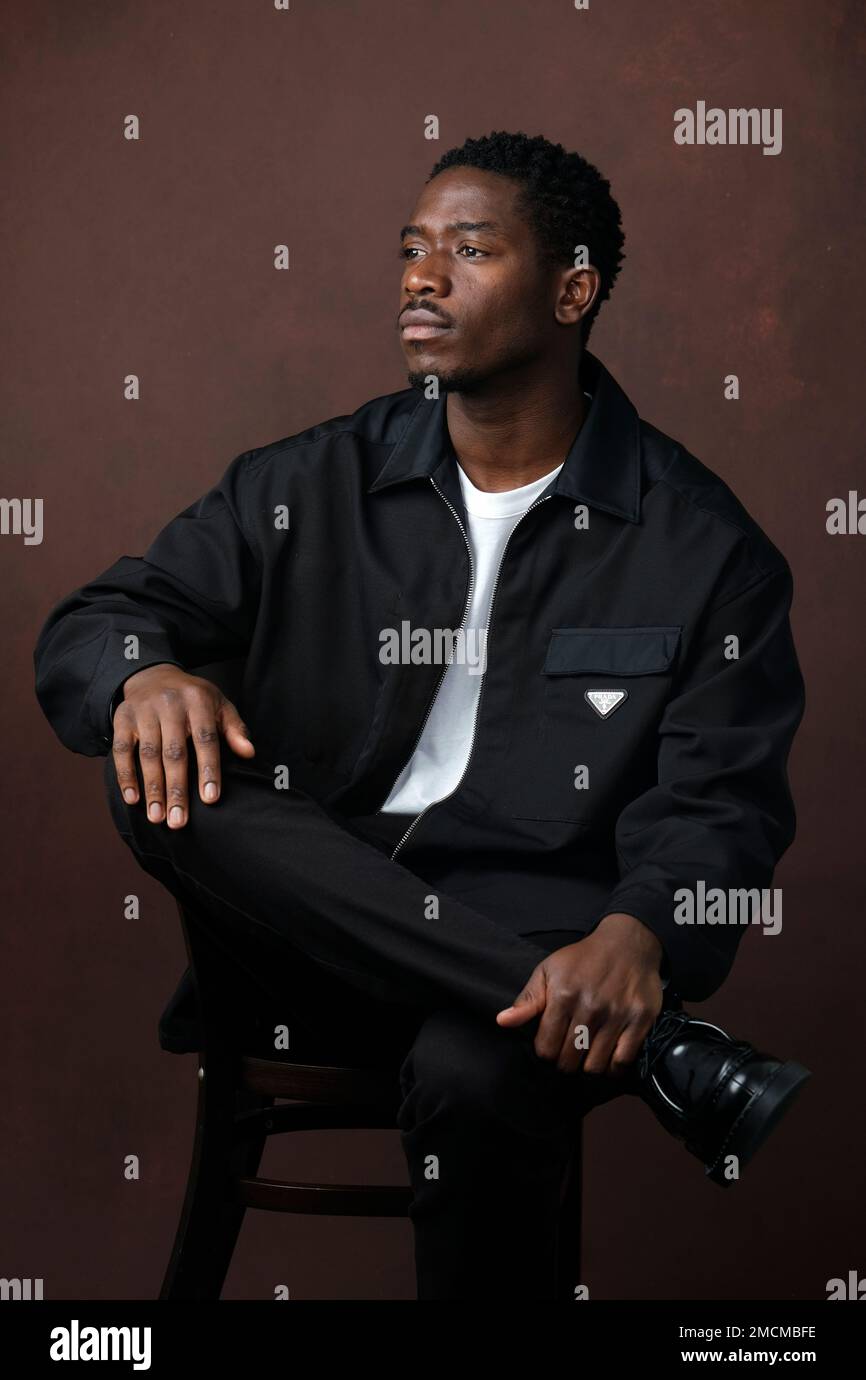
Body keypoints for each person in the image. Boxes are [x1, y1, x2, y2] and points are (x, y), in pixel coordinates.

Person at [34, 130, 810, 1300]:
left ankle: (590, 1019)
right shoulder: (304, 484)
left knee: (480, 1074)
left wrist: (638, 935)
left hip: (545, 977)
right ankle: (666, 1058)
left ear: (572, 288)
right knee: (158, 768)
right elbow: (93, 622)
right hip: (305, 940)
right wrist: (144, 673)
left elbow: (724, 804)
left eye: (468, 248)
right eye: (409, 248)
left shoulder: (703, 547)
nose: (418, 276)